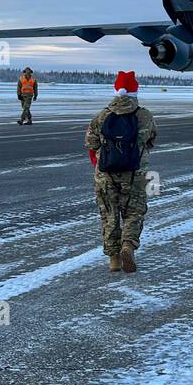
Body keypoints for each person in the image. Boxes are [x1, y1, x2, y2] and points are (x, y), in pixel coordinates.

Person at [85, 70, 157, 273]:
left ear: (116, 90)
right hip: (134, 174)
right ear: (135, 91)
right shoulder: (144, 115)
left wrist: (99, 164)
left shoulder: (102, 115)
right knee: (134, 212)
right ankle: (129, 245)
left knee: (109, 214)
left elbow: (91, 143)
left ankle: (114, 259)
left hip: (105, 174)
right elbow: (152, 140)